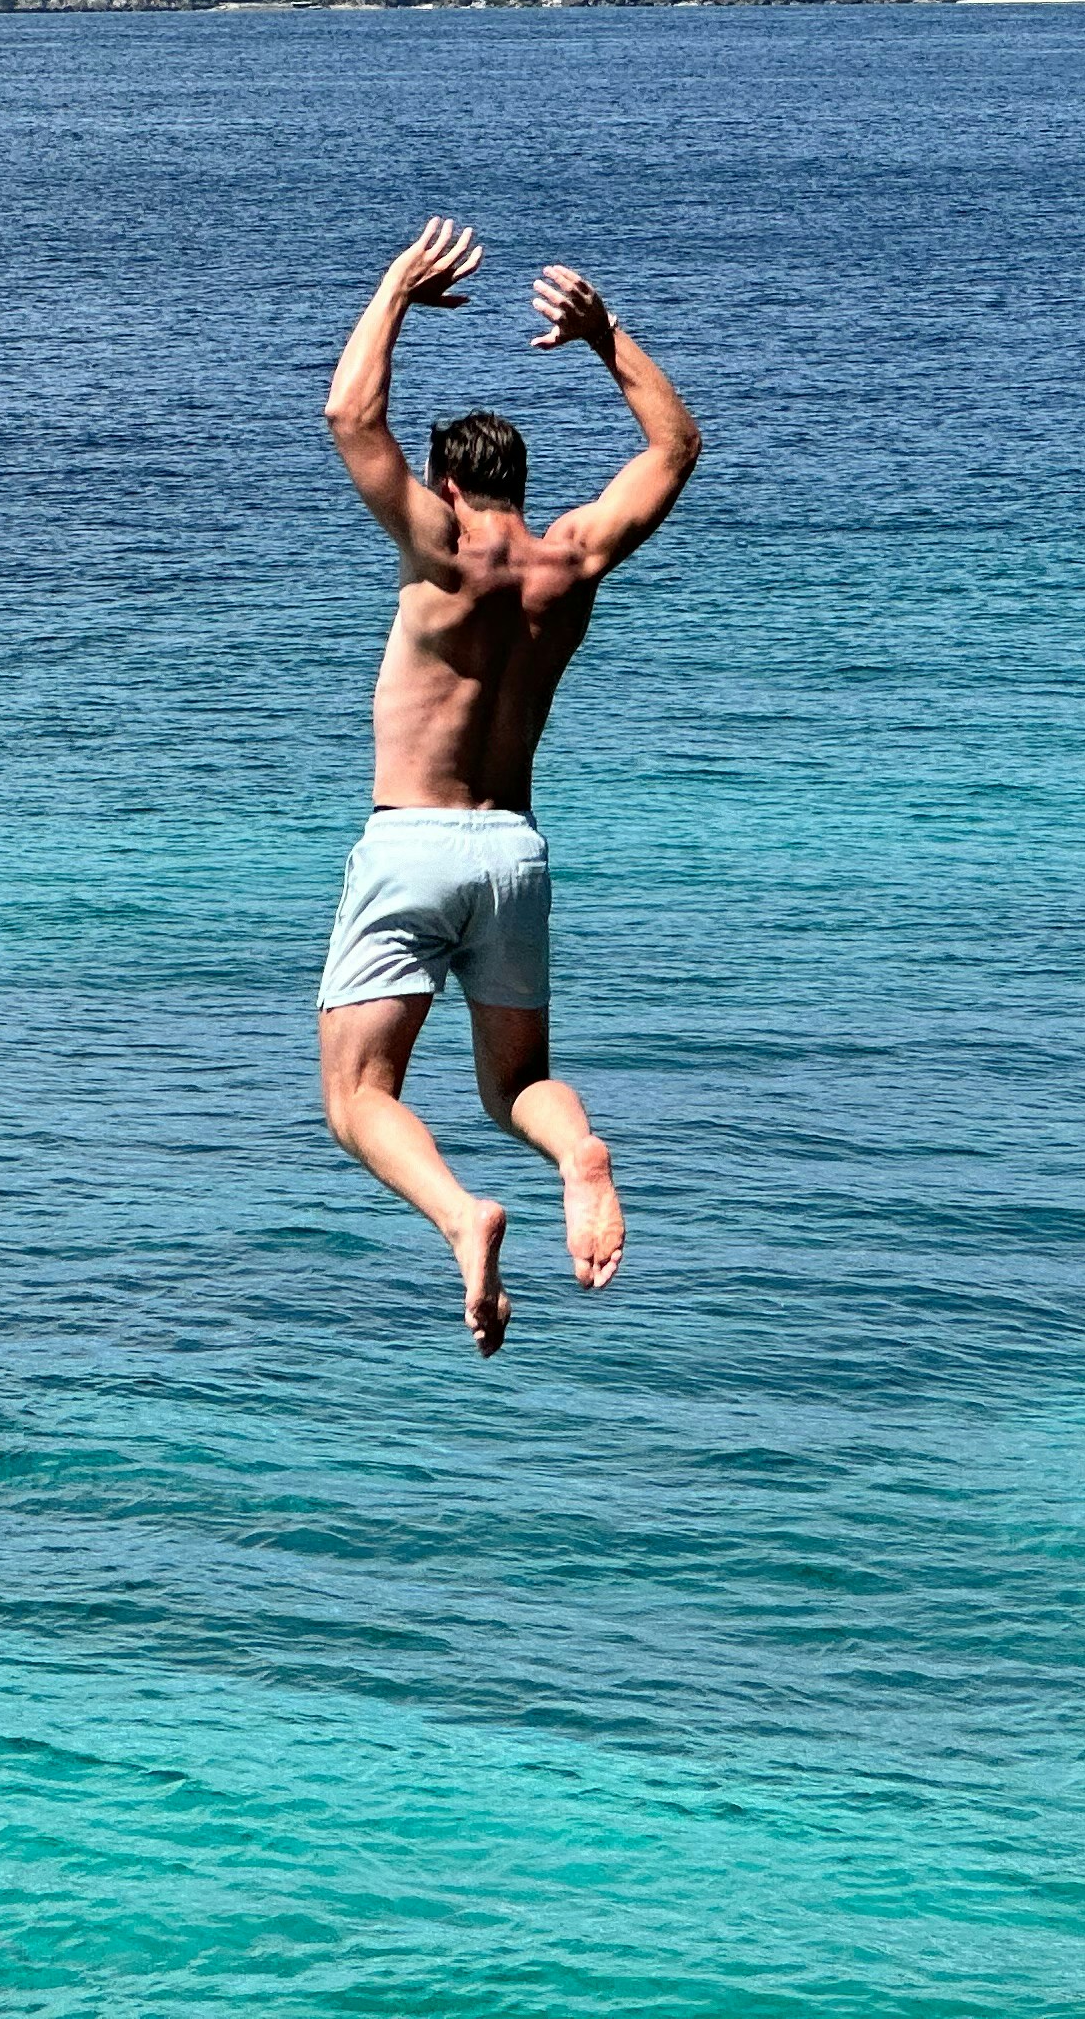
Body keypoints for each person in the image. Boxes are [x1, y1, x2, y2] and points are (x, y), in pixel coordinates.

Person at [314, 216, 703, 1354]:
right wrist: (604, 335)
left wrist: (392, 284)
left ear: (444, 484)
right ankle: (577, 1153)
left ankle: (461, 1216)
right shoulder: (574, 557)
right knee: (514, 1084)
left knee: (358, 1098)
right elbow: (675, 449)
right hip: (514, 850)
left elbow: (349, 416)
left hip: (413, 842)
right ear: (522, 482)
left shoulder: (439, 548)